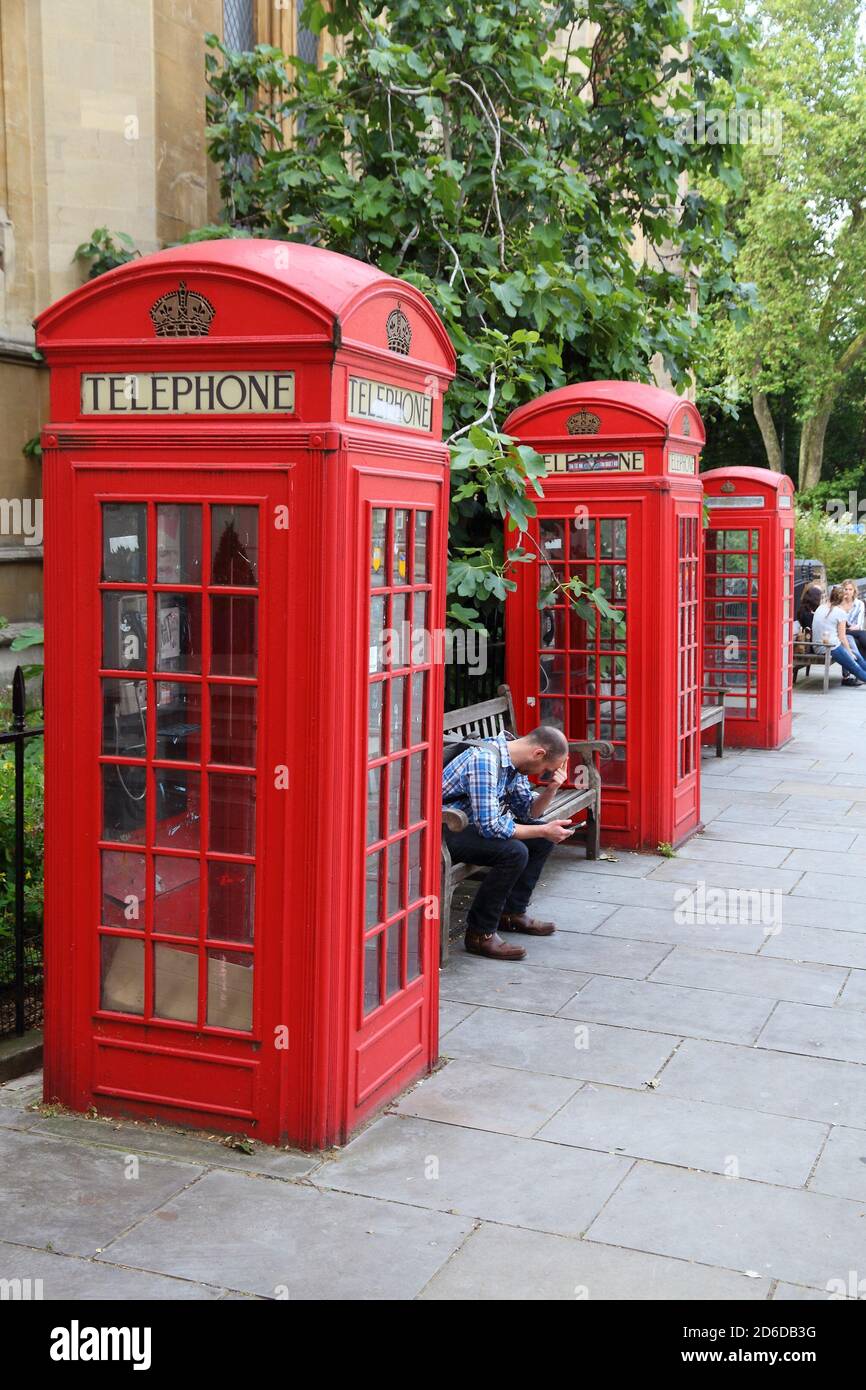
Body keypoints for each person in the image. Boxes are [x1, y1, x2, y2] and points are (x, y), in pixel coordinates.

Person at [442, 724, 574, 961]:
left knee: (541, 842)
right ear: (538, 753)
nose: (541, 774)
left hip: (470, 824)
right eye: (546, 770)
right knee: (514, 852)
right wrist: (544, 830)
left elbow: (528, 813)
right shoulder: (485, 761)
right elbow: (491, 827)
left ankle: (511, 913)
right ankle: (479, 933)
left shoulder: (514, 763)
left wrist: (551, 788)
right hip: (444, 828)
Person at [811, 585, 866, 685]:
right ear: (843, 598)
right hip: (830, 648)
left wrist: (851, 652)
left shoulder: (821, 607)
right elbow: (842, 638)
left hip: (818, 646)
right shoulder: (840, 612)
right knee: (854, 665)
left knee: (855, 654)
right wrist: (850, 653)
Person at [839, 579, 866, 674]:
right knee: (862, 635)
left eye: (850, 589)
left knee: (859, 641)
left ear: (854, 591)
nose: (847, 591)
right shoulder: (839, 603)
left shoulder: (860, 604)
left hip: (855, 631)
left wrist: (853, 627)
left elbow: (859, 624)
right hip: (841, 631)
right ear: (842, 590)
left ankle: (851, 674)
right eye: (845, 589)